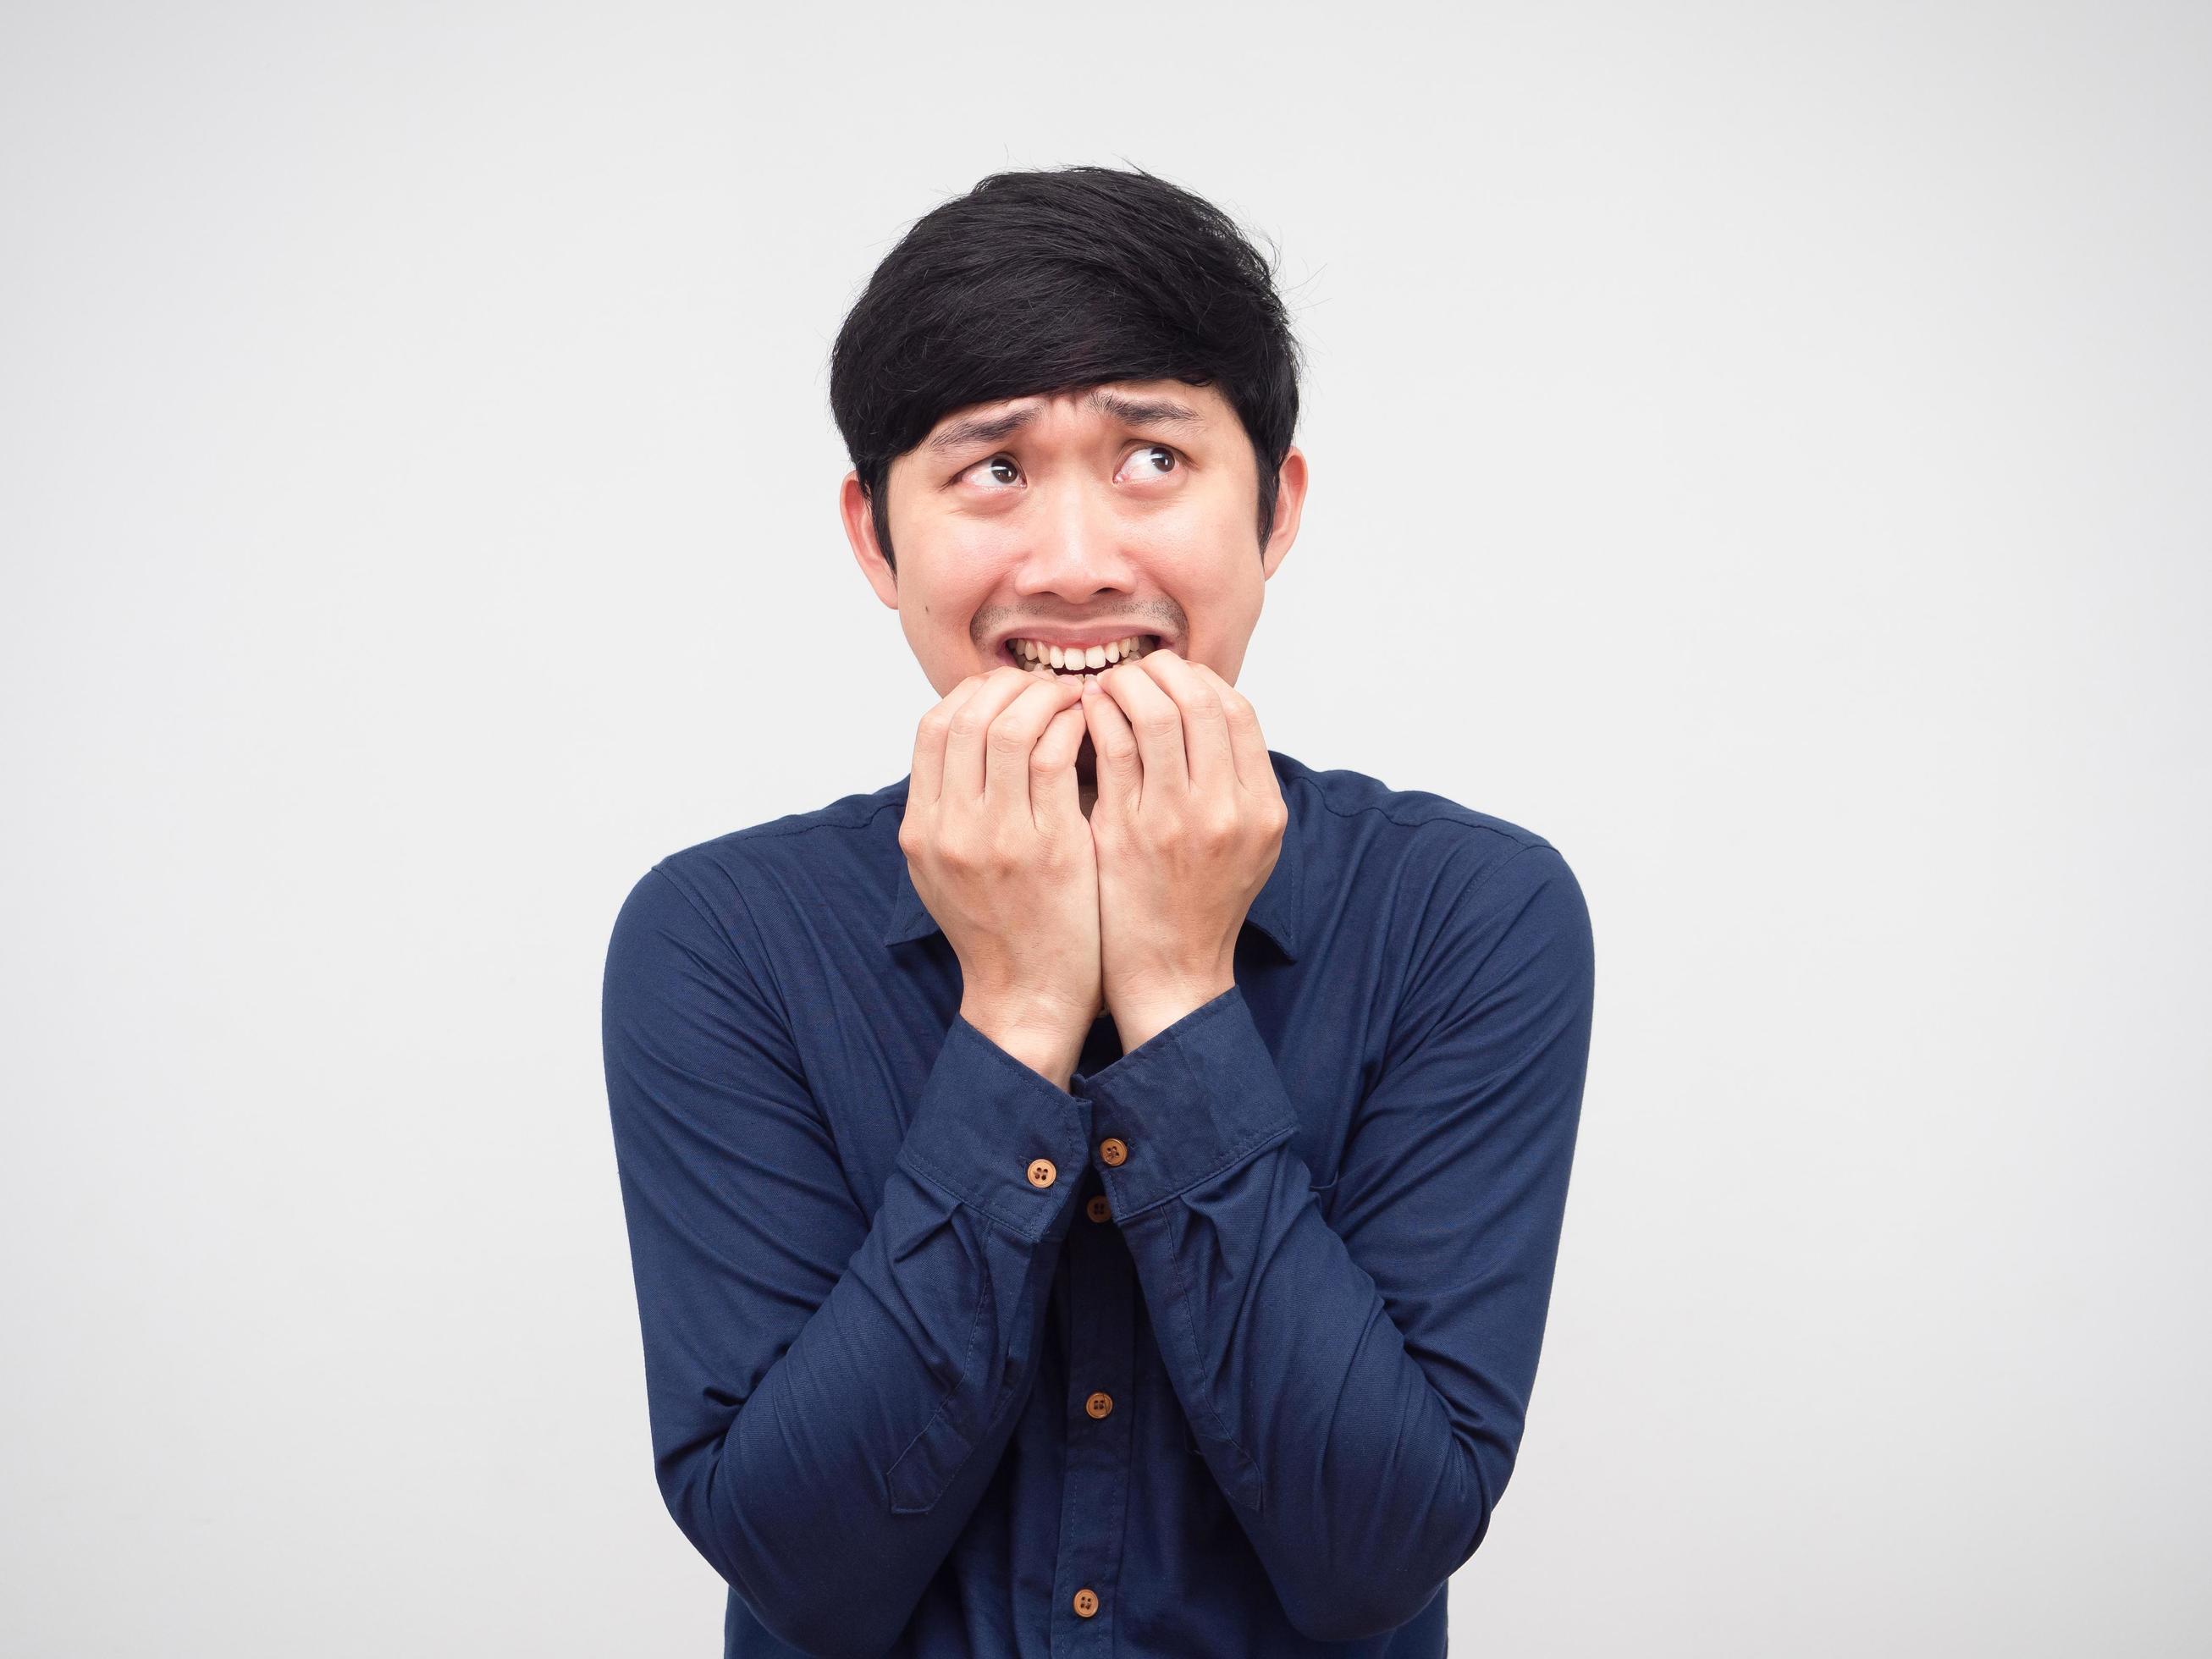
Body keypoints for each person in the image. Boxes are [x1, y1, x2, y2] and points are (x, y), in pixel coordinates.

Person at [601, 164, 1596, 1659]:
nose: (1074, 566)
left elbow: (1376, 1553)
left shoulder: (1468, 915)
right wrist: (1014, 1015)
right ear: (876, 539)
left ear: (1273, 508)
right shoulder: (722, 938)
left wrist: (1179, 992)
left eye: (1150, 458)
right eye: (992, 471)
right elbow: (801, 1568)